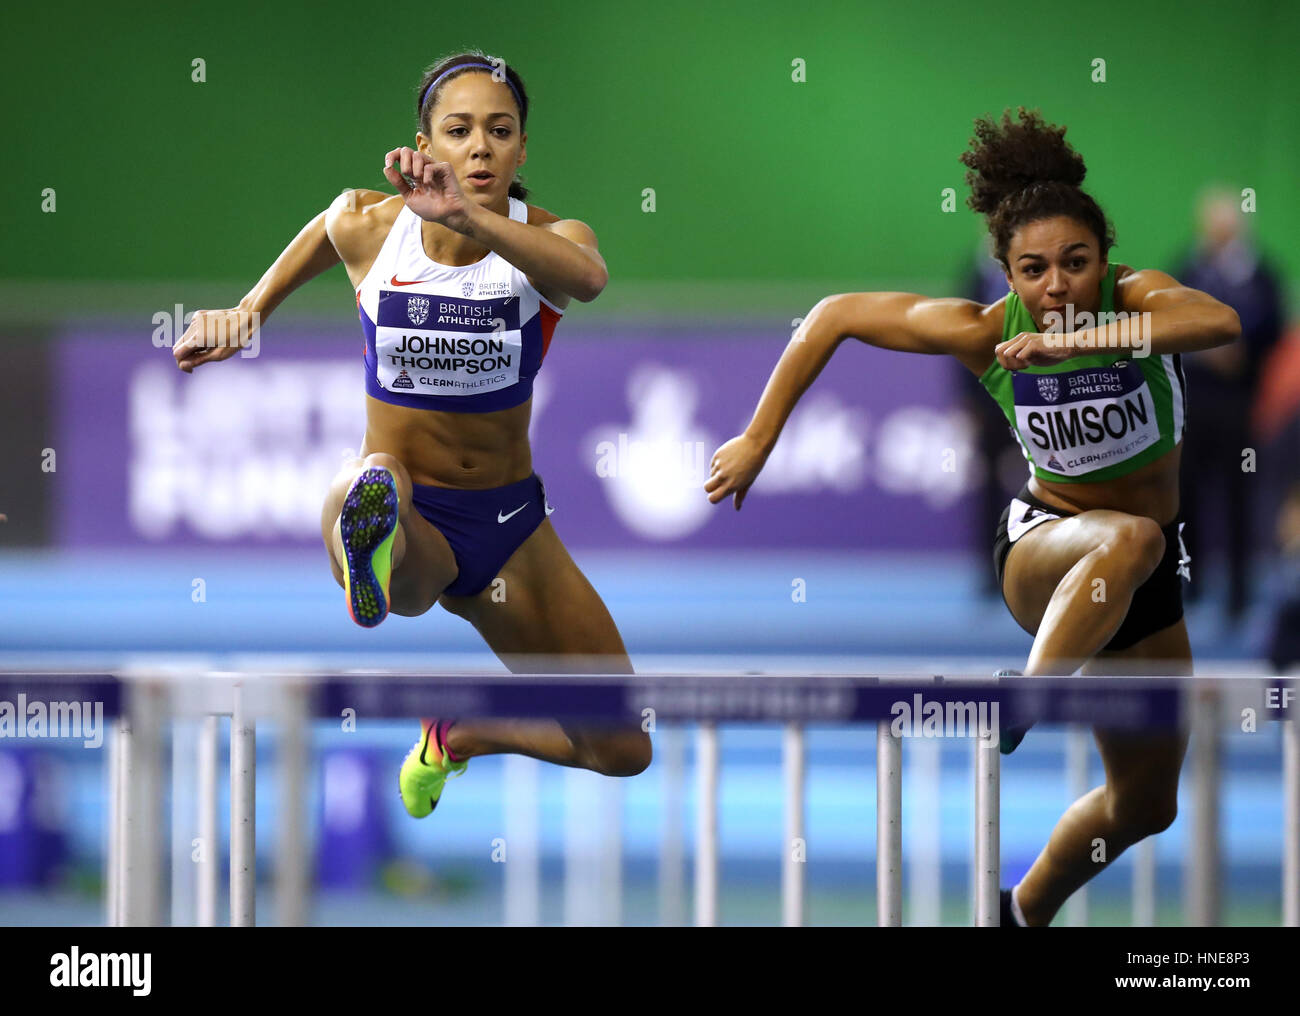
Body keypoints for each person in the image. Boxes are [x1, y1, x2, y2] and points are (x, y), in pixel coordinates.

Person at [704, 107, 1241, 927]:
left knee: (1146, 806)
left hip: (1146, 575)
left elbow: (1220, 323)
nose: (1056, 286)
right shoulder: (985, 334)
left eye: (1075, 263)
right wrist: (757, 436)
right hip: (1043, 551)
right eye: (1033, 270)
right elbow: (834, 315)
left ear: (1105, 260)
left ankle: (1018, 912)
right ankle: (1023, 703)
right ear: (1007, 275)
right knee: (1124, 537)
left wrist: (1080, 341)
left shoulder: (1142, 299)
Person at [171, 51, 651, 819]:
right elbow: (329, 225)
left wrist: (468, 218)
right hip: (415, 508)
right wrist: (250, 310)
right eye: (459, 131)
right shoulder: (374, 228)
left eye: (501, 130)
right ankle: (367, 533)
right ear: (425, 147)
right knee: (379, 488)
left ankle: (459, 736)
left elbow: (588, 280)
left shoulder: (550, 241)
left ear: (523, 148)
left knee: (623, 749)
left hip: (510, 527)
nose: (481, 147)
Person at [1174, 187, 1286, 624]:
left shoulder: (1262, 274)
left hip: (1240, 406)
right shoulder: (1188, 266)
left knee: (1240, 493)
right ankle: (1193, 580)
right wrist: (1208, 351)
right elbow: (1170, 322)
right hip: (1194, 405)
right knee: (1188, 496)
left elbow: (1273, 329)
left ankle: (1240, 589)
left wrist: (1242, 352)